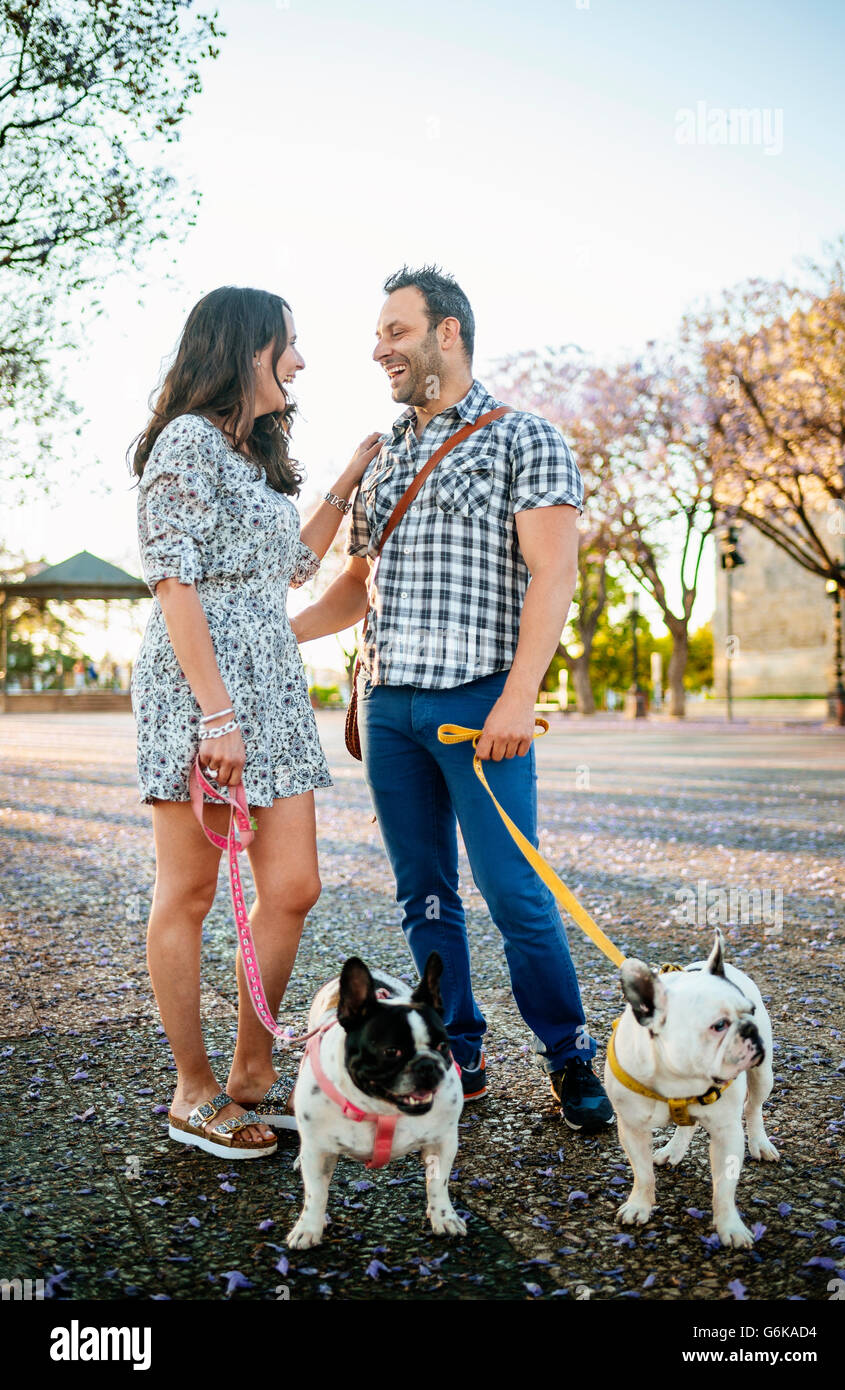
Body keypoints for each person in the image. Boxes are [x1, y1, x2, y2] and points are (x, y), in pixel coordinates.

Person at [292, 266, 614, 1131]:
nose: (377, 349)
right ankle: (457, 1047)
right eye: (377, 333)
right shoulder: (386, 452)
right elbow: (357, 583)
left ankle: (566, 1051)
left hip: (479, 707)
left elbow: (555, 573)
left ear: (448, 333)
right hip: (389, 708)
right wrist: (278, 635)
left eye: (395, 331)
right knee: (423, 896)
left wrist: (519, 697)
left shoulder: (526, 438)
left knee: (515, 894)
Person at [129, 286, 380, 1157]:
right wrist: (214, 716)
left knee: (294, 887)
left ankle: (249, 1074)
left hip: (270, 686)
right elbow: (174, 584)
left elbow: (291, 568)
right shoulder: (186, 442)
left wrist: (344, 483)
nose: (302, 363)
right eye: (290, 345)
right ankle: (191, 1093)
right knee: (190, 893)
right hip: (202, 690)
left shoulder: (253, 456)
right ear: (245, 350)